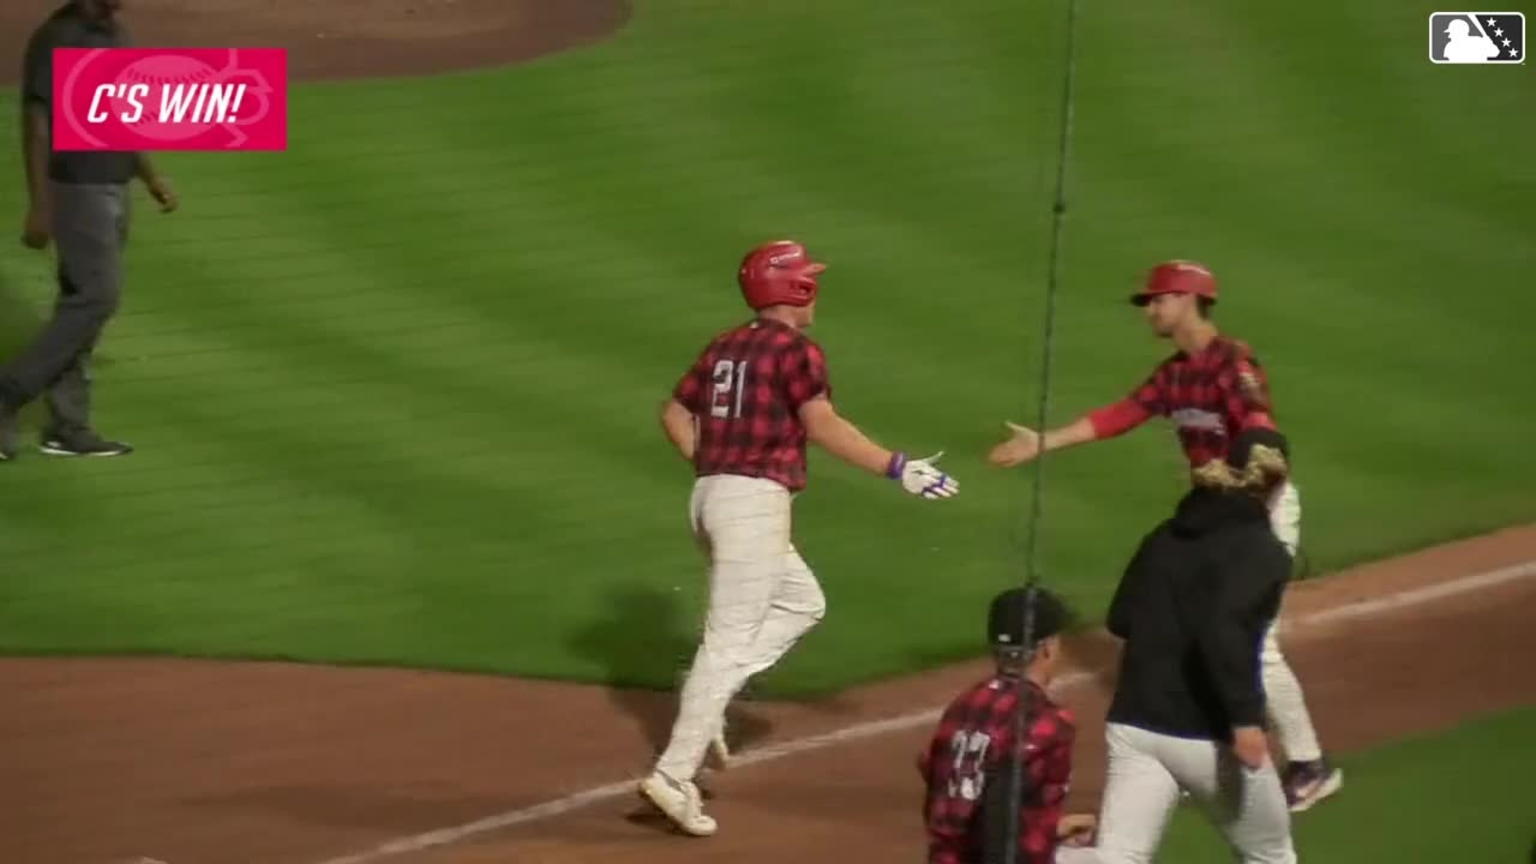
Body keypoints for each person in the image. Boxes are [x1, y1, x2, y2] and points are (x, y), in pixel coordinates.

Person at [988, 260, 1341, 811]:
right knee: (1200, 619)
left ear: (1187, 298)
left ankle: (1309, 764)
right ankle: (1219, 726)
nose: (1150, 310)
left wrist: (1247, 499)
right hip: (1212, 512)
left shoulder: (1233, 363)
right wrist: (1045, 442)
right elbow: (1121, 415)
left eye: (1157, 300)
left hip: (1257, 511)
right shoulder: (1176, 374)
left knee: (1256, 643)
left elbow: (1260, 433)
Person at [638, 239, 960, 836]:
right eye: (808, 278)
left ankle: (710, 693)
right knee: (728, 640)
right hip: (751, 504)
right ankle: (674, 774)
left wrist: (715, 467)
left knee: (802, 602)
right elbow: (823, 425)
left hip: (709, 497)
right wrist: (899, 467)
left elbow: (674, 414)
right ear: (794, 289)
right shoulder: (797, 351)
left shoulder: (725, 345)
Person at [1088, 427, 1300, 863]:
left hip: (1134, 726)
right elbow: (1224, 630)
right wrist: (1244, 720)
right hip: (1205, 735)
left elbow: (1121, 618)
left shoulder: (1167, 533)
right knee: (1270, 856)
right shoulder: (1264, 552)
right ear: (1278, 481)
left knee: (1118, 857)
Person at [2, 0, 178, 461]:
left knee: (83, 302)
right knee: (99, 296)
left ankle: (68, 425)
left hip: (115, 184)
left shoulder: (117, 33)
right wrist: (41, 204)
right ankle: (7, 393)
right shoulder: (57, 38)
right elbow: (36, 126)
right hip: (76, 186)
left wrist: (150, 176)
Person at [918, 585, 1099, 864]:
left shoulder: (962, 706)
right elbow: (1000, 824)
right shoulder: (1049, 723)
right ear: (1047, 649)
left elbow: (941, 790)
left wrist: (1054, 829)